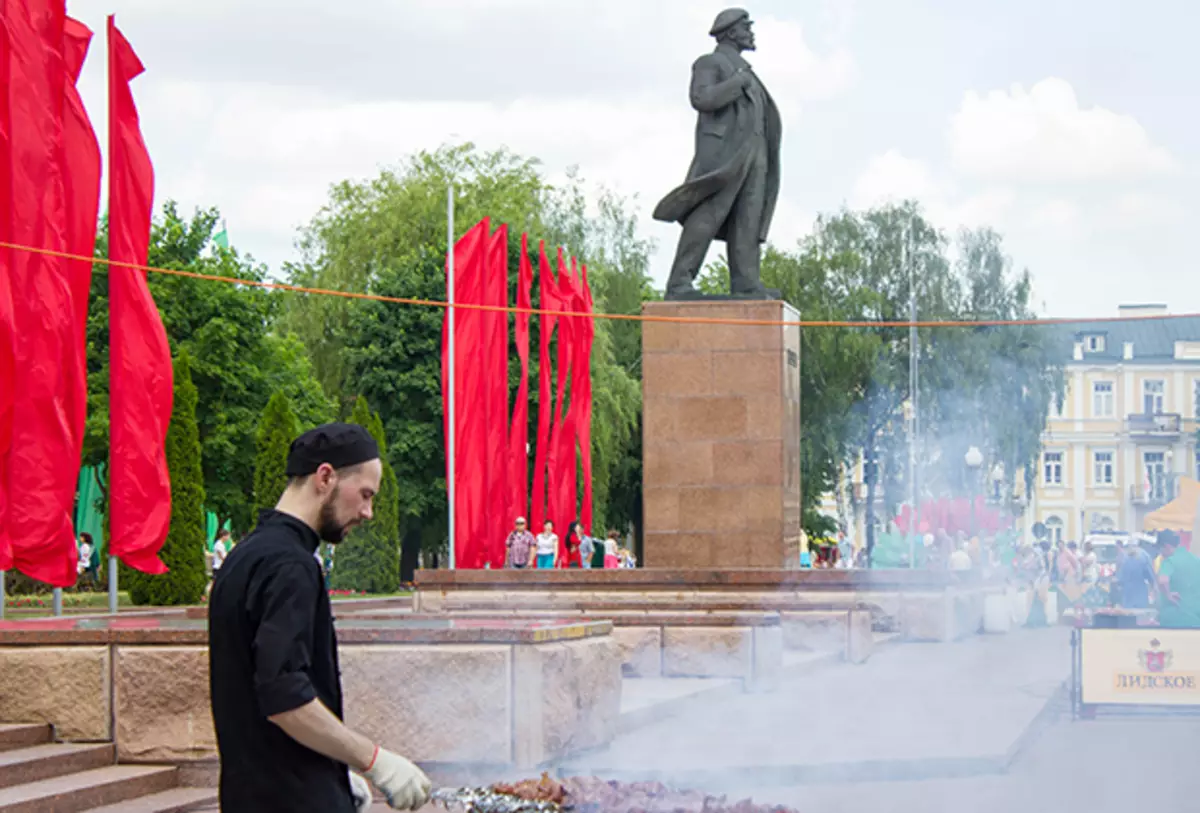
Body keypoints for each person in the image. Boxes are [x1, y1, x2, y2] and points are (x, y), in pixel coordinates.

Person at [208, 423, 431, 813]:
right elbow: (284, 697)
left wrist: (331, 767)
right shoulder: (290, 565)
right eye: (364, 494)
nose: (368, 512)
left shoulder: (245, 557)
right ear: (325, 477)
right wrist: (373, 760)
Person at [1156, 530, 1200, 628]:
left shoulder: (1169, 561)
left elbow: (1163, 580)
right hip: (1196, 620)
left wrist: (1168, 595)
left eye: (1160, 549)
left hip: (1174, 620)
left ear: (1166, 546)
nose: (1161, 554)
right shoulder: (1196, 561)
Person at [1115, 540, 1158, 609]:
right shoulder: (1144, 555)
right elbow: (1150, 576)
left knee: (1129, 616)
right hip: (1140, 593)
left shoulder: (1124, 556)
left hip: (1127, 594)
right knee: (1140, 616)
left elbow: (1119, 579)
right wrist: (1154, 588)